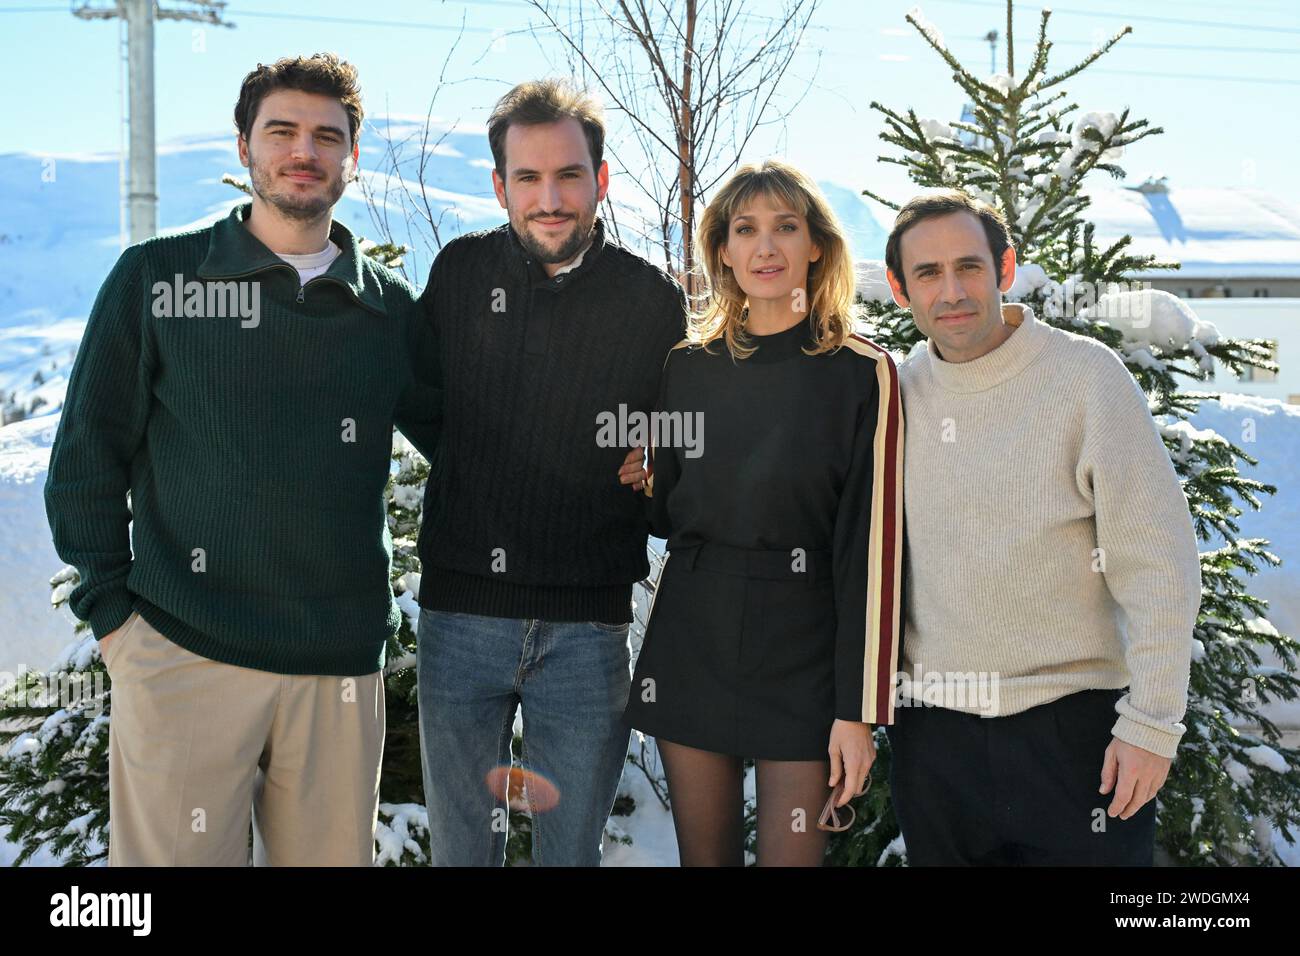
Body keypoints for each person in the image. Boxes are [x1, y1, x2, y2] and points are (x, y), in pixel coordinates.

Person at [43, 54, 443, 865]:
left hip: (337, 670)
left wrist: (617, 457)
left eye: (327, 136)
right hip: (183, 654)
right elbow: (85, 457)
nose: (304, 152)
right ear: (243, 146)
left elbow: (473, 445)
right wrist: (117, 623)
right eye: (282, 131)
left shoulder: (389, 311)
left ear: (351, 156)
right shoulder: (159, 278)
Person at [883, 188, 1201, 865]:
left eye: (969, 266)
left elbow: (1159, 562)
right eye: (928, 273)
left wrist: (1151, 725)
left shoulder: (1085, 378)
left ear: (1004, 268)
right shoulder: (894, 398)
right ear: (900, 287)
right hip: (934, 743)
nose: (951, 291)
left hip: (1078, 738)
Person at [413, 78, 686, 867]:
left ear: (601, 181)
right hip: (461, 620)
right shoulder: (460, 274)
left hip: (586, 631)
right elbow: (421, 402)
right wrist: (477, 465)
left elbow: (671, 453)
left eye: (569, 175)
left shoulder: (650, 301)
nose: (550, 198)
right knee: (463, 854)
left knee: (570, 856)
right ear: (500, 187)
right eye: (527, 178)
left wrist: (655, 468)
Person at [623, 159, 905, 866]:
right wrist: (642, 483)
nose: (766, 247)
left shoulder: (862, 372)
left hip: (806, 656)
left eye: (786, 227)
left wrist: (857, 711)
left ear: (817, 246)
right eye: (745, 230)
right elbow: (671, 515)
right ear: (722, 250)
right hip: (695, 635)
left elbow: (870, 549)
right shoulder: (687, 366)